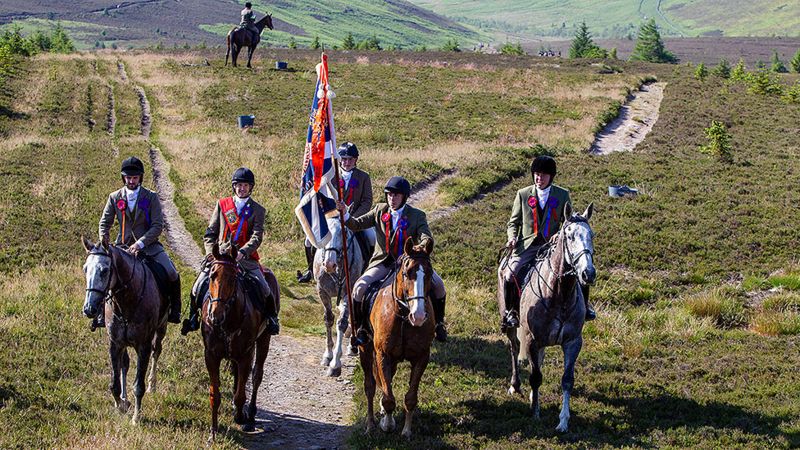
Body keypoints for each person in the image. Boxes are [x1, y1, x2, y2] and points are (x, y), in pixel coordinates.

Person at [338, 176, 448, 345]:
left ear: (404, 197)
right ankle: (360, 328)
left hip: (408, 263)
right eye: (389, 195)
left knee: (439, 286)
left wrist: (423, 245)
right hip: (383, 262)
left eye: (396, 195)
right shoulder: (379, 210)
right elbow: (356, 224)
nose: (392, 199)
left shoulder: (417, 216)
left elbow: (426, 235)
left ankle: (439, 324)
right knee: (359, 288)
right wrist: (344, 213)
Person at [499, 155, 595, 331]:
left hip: (552, 246)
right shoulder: (522, 194)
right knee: (509, 274)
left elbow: (568, 222)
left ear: (551, 177)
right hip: (527, 245)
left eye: (543, 175)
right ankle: (511, 312)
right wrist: (512, 237)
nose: (539, 179)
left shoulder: (562, 194)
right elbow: (513, 222)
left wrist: (558, 234)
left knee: (579, 269)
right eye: (536, 174)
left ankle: (586, 307)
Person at [181, 167, 279, 336]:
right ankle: (193, 318)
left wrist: (243, 252)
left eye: (246, 185)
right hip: (220, 257)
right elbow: (210, 233)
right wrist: (210, 252)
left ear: (251, 187)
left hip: (244, 258)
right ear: (234, 186)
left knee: (265, 288)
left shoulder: (258, 210)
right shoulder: (222, 205)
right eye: (239, 185)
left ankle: (271, 319)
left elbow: (257, 237)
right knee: (197, 286)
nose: (242, 188)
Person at [96, 156, 181, 329]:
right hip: (121, 246)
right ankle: (99, 314)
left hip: (149, 247)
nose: (131, 181)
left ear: (140, 178)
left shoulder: (151, 197)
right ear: (123, 178)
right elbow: (104, 222)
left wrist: (140, 244)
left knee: (172, 272)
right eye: (128, 177)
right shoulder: (114, 197)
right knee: (101, 272)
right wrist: (104, 239)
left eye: (135, 178)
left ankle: (174, 310)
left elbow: (158, 225)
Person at [297, 142, 375, 282]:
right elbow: (324, 197)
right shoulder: (330, 176)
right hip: (331, 218)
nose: (347, 162)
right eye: (344, 159)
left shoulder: (364, 177)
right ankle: (310, 269)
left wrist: (351, 217)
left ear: (356, 160)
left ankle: (367, 266)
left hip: (353, 218)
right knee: (309, 240)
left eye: (350, 159)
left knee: (371, 237)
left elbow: (367, 201)